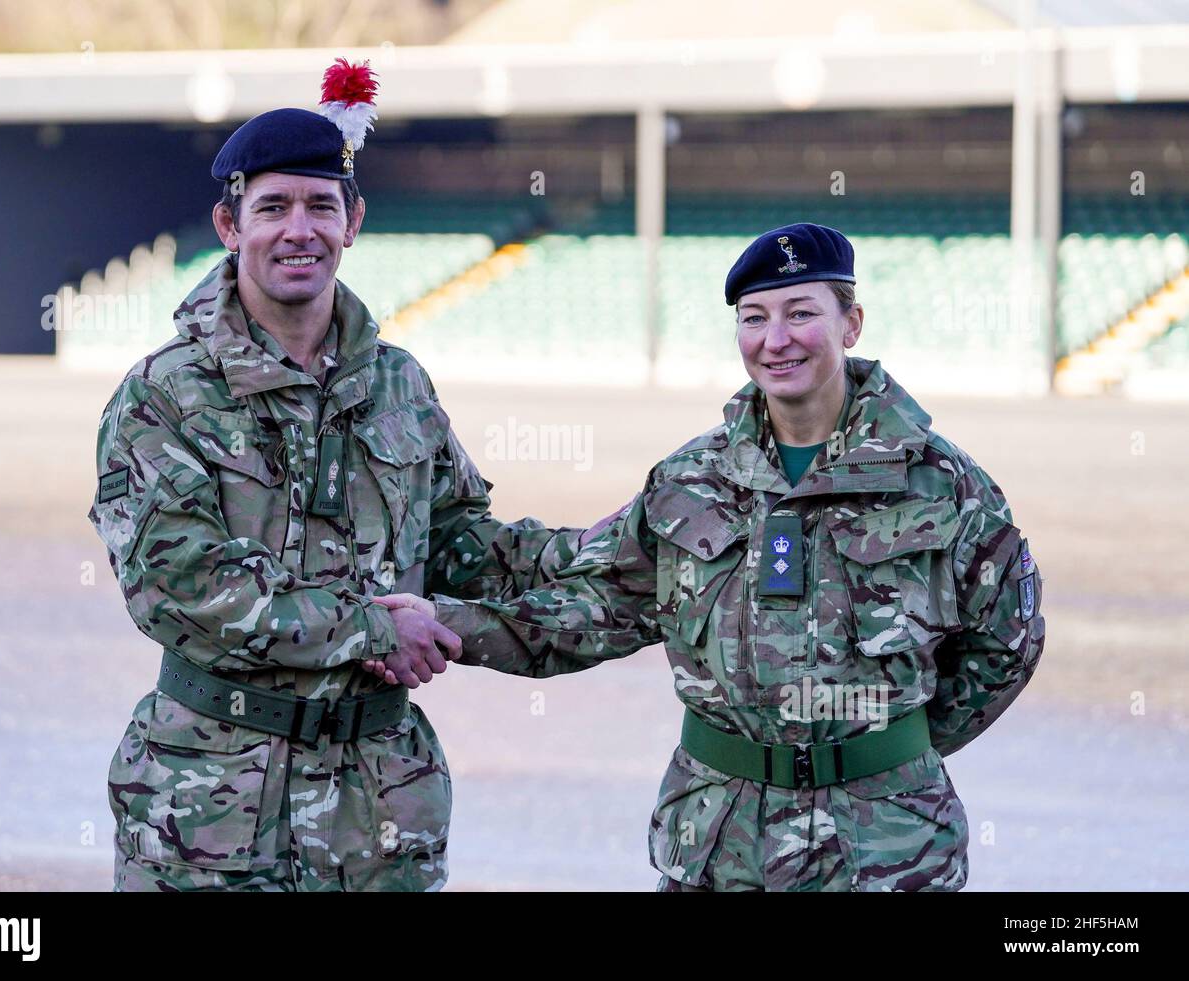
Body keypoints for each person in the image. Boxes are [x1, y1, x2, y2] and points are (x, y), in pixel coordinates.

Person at [375, 221, 1046, 891]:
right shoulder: (691, 479)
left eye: (800, 313)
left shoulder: (940, 481)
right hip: (720, 846)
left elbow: (1006, 641)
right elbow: (595, 608)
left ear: (851, 323)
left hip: (886, 848)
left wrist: (891, 748)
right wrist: (454, 625)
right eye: (754, 317)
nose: (775, 339)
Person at [88, 60, 579, 892]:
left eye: (320, 205)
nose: (298, 229)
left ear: (353, 220)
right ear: (227, 223)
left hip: (379, 803)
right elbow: (183, 587)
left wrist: (616, 554)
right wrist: (378, 629)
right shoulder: (164, 393)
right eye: (272, 207)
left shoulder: (398, 383)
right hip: (214, 801)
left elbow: (462, 543)